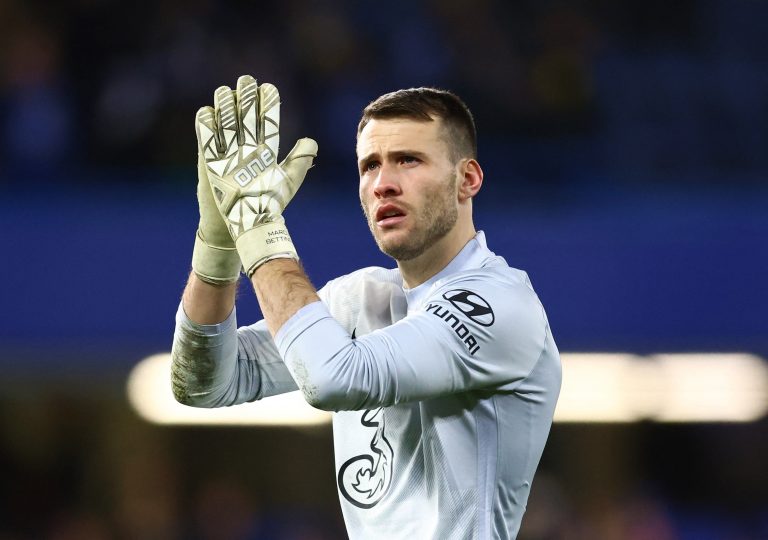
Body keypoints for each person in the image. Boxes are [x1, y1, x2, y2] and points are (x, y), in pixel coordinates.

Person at [171, 74, 562, 540]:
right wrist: (218, 247)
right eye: (370, 166)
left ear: (468, 179)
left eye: (408, 160)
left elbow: (334, 378)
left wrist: (257, 226)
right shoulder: (361, 297)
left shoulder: (497, 303)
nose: (383, 184)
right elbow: (205, 384)